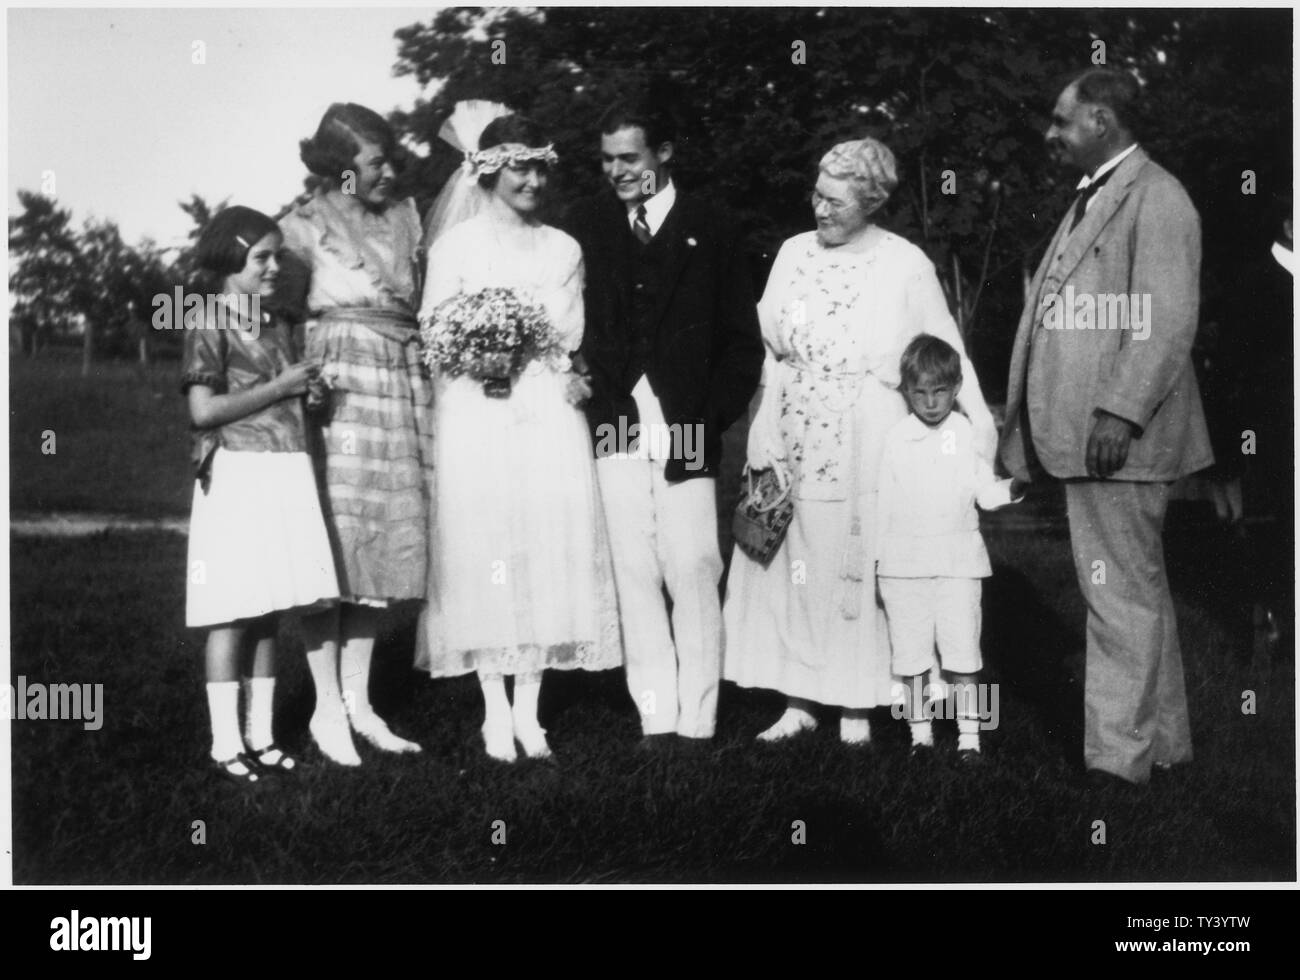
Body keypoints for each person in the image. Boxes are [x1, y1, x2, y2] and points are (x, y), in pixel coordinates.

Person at [723, 136, 997, 746]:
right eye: (817, 198)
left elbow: (946, 348)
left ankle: (857, 702)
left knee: (858, 567)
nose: (822, 212)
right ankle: (798, 698)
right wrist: (762, 425)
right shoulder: (793, 253)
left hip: (868, 438)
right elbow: (766, 347)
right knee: (791, 561)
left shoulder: (904, 263)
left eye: (838, 204)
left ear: (871, 203)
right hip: (790, 425)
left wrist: (977, 436)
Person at [1000, 68, 1213, 787]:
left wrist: (1120, 411)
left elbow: (1166, 318)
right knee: (1137, 592)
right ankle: (1165, 749)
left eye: (1062, 121)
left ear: (1101, 121)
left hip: (1117, 439)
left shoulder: (1158, 197)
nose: (1050, 133)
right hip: (1095, 435)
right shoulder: (1101, 194)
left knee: (1115, 596)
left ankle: (1116, 771)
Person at [417, 111, 622, 762]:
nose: (532, 178)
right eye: (518, 166)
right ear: (487, 170)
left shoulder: (563, 248)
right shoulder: (456, 248)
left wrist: (533, 348)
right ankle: (492, 709)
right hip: (477, 408)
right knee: (487, 548)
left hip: (545, 406)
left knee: (542, 547)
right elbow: (433, 332)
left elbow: (570, 336)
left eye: (540, 166)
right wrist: (478, 348)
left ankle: (530, 712)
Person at [563, 99, 764, 751]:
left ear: (664, 153)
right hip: (616, 417)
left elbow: (741, 343)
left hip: (688, 422)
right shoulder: (587, 225)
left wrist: (707, 418)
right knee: (633, 566)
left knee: (693, 563)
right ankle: (655, 715)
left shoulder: (713, 222)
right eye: (607, 160)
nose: (617, 171)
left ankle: (698, 718)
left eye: (630, 158)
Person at [279, 103, 430, 764]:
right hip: (333, 393)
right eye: (375, 163)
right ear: (340, 169)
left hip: (397, 384)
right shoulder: (302, 227)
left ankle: (359, 702)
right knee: (333, 548)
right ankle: (324, 710)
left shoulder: (406, 218)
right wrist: (294, 387)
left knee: (379, 551)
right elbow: (275, 319)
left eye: (392, 159)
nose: (389, 172)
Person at [181, 206, 340, 783]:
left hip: (285, 469)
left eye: (278, 255)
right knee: (231, 611)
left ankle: (263, 735)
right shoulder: (209, 319)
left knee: (270, 609)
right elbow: (203, 411)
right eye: (262, 258)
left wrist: (310, 396)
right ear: (230, 263)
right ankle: (226, 744)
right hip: (240, 473)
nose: (275, 267)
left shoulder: (277, 323)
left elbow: (286, 397)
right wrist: (280, 387)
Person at [876, 335, 1024, 759]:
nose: (930, 402)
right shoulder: (896, 439)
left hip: (958, 565)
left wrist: (1014, 486)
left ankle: (970, 739)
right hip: (903, 567)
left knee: (963, 652)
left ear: (957, 387)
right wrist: (876, 563)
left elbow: (984, 492)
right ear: (906, 391)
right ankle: (920, 737)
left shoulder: (966, 433)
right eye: (919, 392)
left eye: (939, 390)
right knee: (911, 656)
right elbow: (883, 504)